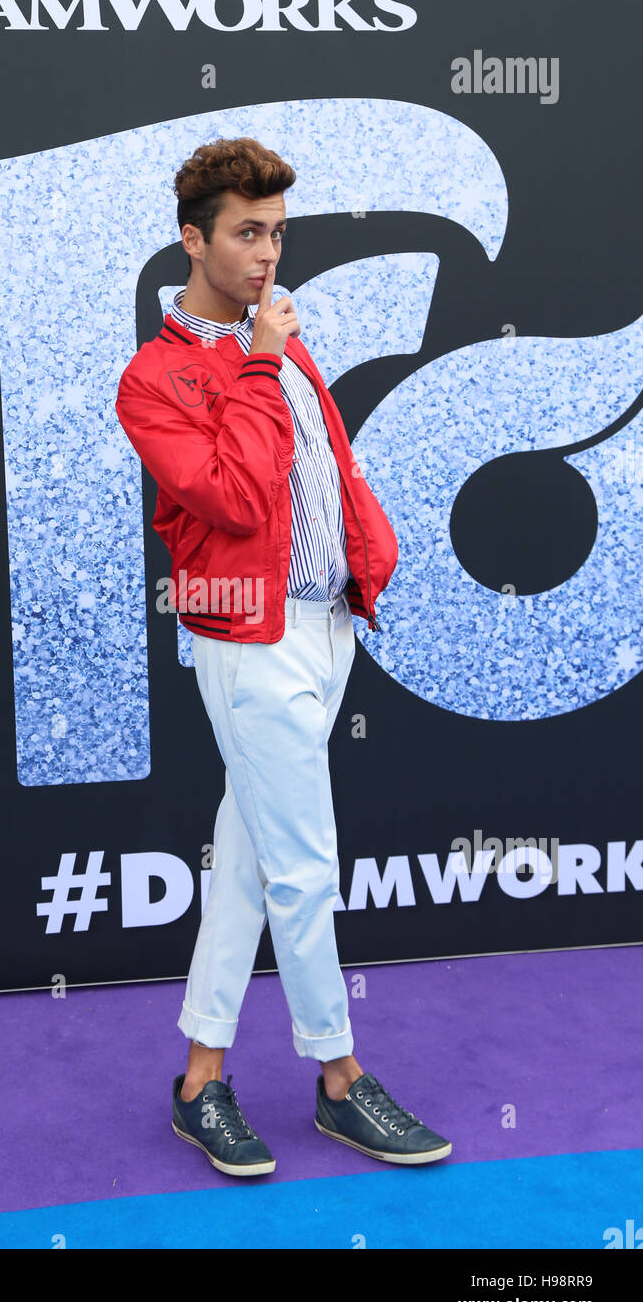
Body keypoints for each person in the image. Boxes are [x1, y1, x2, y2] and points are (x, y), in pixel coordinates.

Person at [115, 136, 451, 1177]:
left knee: (253, 864)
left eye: (276, 233)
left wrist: (368, 552)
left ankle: (199, 1079)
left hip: (324, 624)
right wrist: (259, 357)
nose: (266, 254)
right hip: (242, 632)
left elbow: (321, 465)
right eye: (246, 233)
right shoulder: (153, 379)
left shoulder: (282, 339)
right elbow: (236, 494)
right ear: (193, 239)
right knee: (304, 864)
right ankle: (341, 1082)